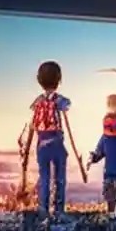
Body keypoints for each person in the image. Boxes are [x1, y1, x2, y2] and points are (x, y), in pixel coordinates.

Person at [27, 61, 72, 219]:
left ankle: (43, 209)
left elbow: (33, 121)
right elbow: (67, 105)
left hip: (41, 143)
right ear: (58, 79)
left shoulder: (38, 101)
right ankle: (59, 210)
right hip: (56, 141)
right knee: (59, 178)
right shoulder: (59, 100)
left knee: (44, 177)